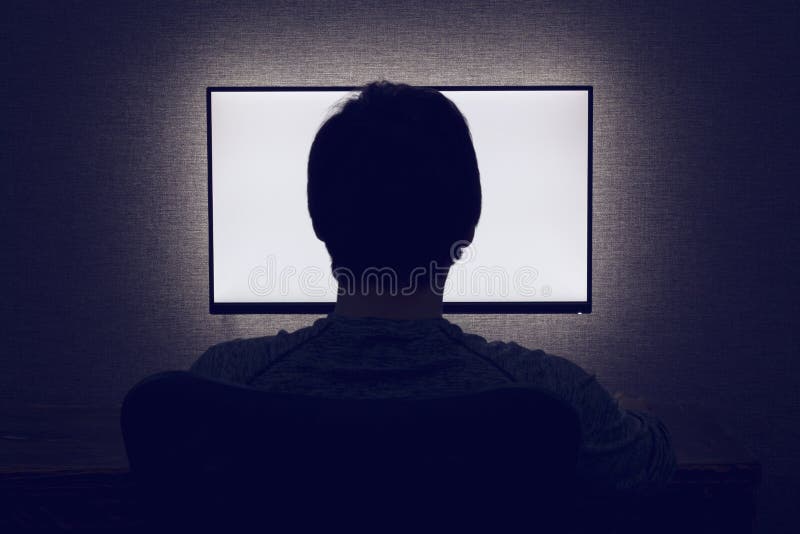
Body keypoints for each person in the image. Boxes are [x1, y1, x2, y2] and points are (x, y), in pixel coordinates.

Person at [190, 81, 675, 494]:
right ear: (470, 222)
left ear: (317, 219)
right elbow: (651, 465)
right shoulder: (554, 399)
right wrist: (634, 416)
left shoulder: (221, 383)